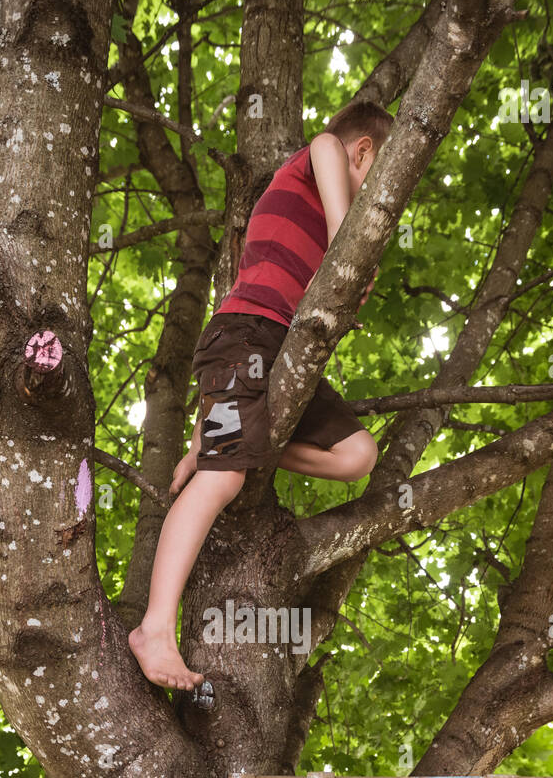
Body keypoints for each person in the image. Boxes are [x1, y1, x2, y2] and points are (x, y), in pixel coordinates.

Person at [129, 99, 393, 690]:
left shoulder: (337, 194)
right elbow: (349, 241)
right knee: (224, 481)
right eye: (378, 175)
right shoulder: (325, 149)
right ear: (364, 151)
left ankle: (222, 438)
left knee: (357, 456)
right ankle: (153, 627)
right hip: (243, 335)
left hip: (285, 350)